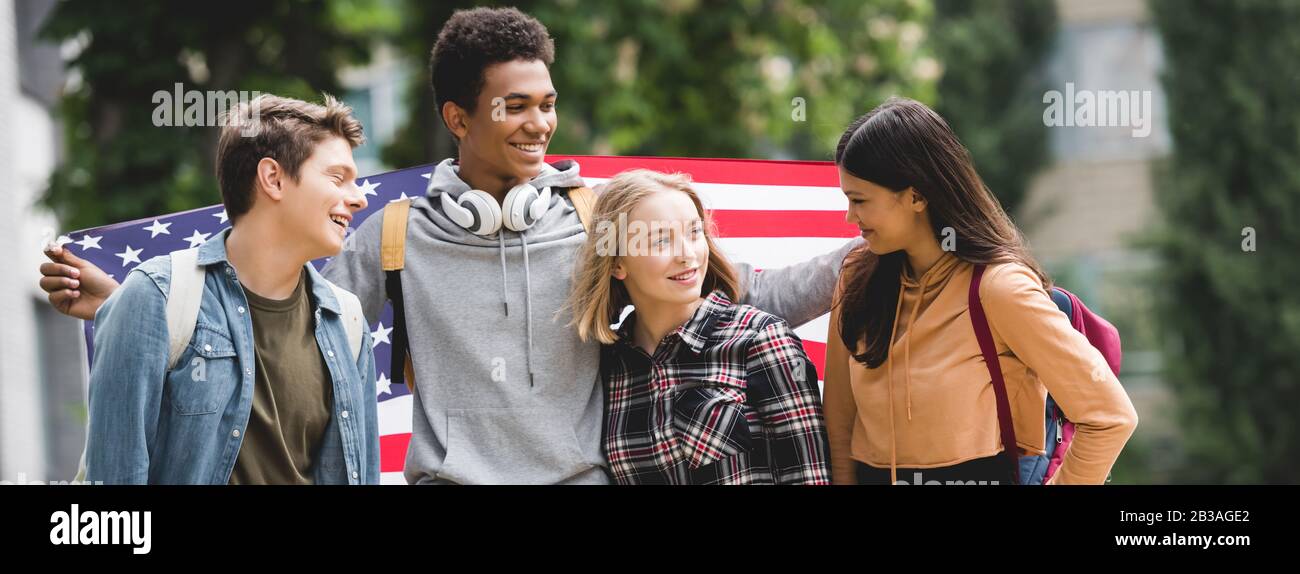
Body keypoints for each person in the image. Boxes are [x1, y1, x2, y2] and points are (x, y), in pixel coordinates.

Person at [822, 97, 1138, 486]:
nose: (850, 217)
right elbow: (838, 427)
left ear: (917, 196)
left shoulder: (999, 288)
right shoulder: (855, 279)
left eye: (859, 200)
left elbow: (1110, 416)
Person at [80, 94, 379, 484]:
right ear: (273, 178)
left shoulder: (349, 323)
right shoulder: (153, 297)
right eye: (338, 178)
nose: (359, 198)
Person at [568, 169, 830, 484]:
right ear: (617, 263)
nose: (687, 255)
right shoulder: (607, 365)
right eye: (661, 240)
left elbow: (810, 475)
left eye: (694, 233)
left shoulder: (761, 340)